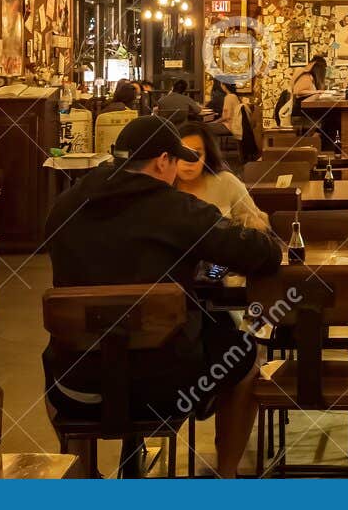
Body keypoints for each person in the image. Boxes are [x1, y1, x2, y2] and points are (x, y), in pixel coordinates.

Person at [43, 116, 282, 478]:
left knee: (56, 360)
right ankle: (228, 475)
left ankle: (81, 471)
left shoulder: (65, 205)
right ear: (161, 162)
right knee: (244, 352)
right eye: (176, 161)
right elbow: (262, 253)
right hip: (167, 389)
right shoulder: (177, 210)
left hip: (75, 386)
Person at [175, 120, 269, 230]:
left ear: (207, 156)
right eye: (183, 153)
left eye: (197, 154)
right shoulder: (163, 187)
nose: (189, 162)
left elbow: (258, 225)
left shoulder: (226, 182)